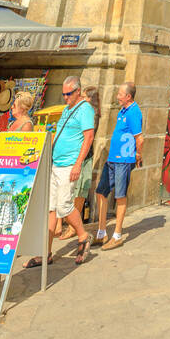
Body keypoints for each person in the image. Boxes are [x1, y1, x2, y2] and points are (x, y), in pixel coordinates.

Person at [26, 76, 93, 268]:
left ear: (78, 91)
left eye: (69, 94)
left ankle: (82, 235)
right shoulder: (67, 109)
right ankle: (44, 252)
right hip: (56, 163)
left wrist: (78, 164)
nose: (65, 97)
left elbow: (88, 137)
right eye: (63, 94)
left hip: (69, 165)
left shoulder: (85, 109)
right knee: (50, 208)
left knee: (64, 206)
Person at [95, 81, 143, 250]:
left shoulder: (133, 112)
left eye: (120, 94)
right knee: (101, 192)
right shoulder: (123, 111)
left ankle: (117, 235)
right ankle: (101, 233)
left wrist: (137, 155)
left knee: (120, 196)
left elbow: (139, 138)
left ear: (128, 96)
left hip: (124, 160)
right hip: (113, 159)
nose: (117, 96)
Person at [58, 85, 99, 241]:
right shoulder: (72, 110)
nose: (82, 98)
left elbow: (88, 137)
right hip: (71, 158)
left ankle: (75, 228)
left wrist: (78, 161)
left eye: (84, 96)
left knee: (78, 192)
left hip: (82, 157)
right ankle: (61, 226)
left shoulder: (88, 112)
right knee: (69, 195)